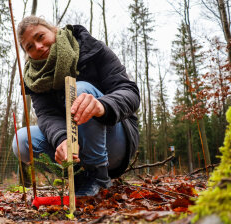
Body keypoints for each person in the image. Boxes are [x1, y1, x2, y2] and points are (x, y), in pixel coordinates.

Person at [12, 16, 140, 196]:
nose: (38, 47)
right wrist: (61, 139)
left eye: (40, 37)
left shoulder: (91, 48)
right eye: (30, 47)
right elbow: (47, 115)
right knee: (22, 141)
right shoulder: (34, 78)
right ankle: (80, 176)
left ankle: (98, 176)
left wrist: (102, 106)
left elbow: (130, 92)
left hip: (115, 140)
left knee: (79, 91)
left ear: (54, 31)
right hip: (74, 144)